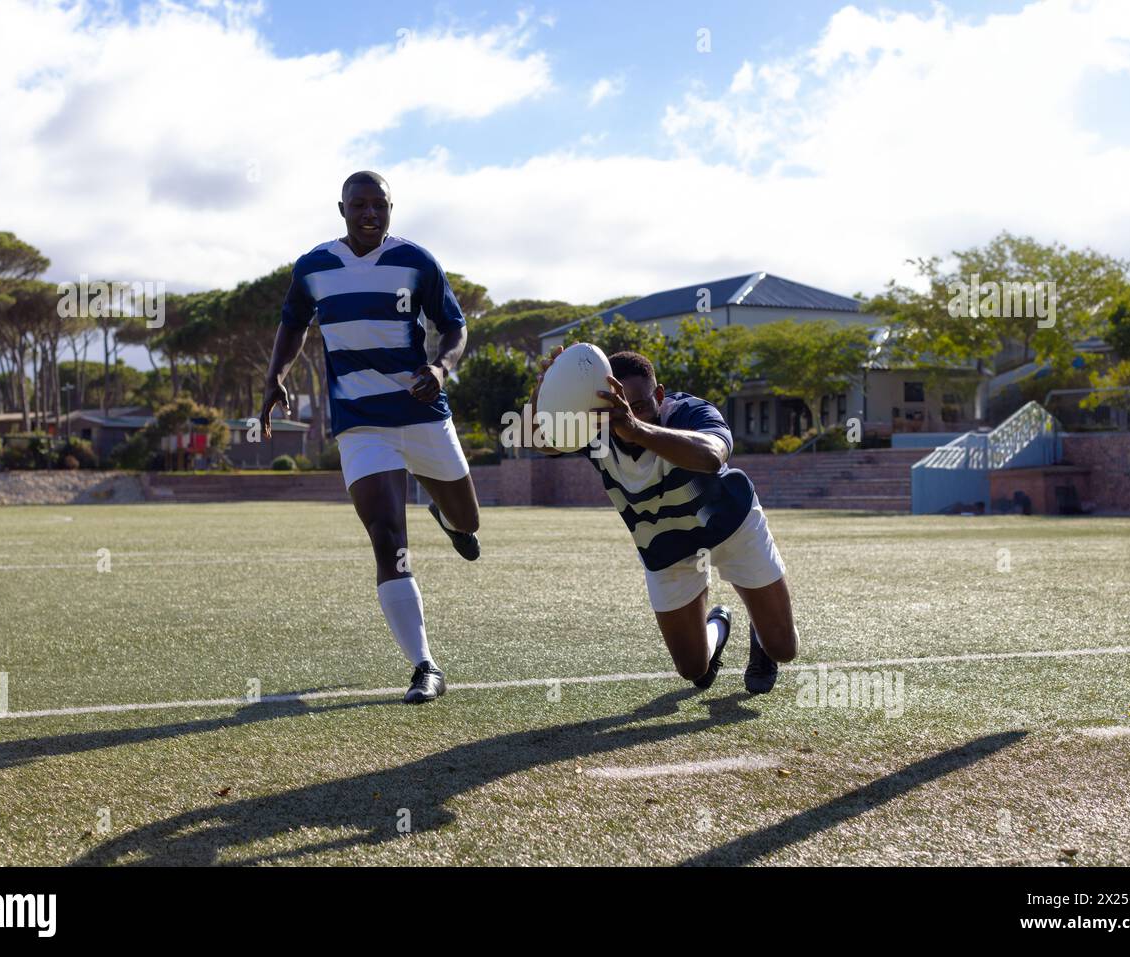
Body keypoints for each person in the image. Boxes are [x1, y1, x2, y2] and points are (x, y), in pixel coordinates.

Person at [260, 171, 480, 704]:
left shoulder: (417, 261)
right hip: (360, 422)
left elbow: (454, 326)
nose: (369, 214)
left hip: (423, 411)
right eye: (359, 205)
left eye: (379, 205)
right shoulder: (314, 267)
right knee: (385, 535)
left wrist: (442, 368)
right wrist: (275, 377)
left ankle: (449, 518)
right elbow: (293, 324)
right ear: (341, 209)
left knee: (469, 523)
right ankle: (425, 665)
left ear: (390, 208)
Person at [530, 346, 799, 694]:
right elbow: (542, 440)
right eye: (619, 406)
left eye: (640, 404)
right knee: (692, 668)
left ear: (659, 394)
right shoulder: (598, 422)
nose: (627, 413)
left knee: (784, 648)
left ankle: (761, 636)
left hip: (731, 526)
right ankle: (718, 622)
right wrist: (544, 392)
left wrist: (636, 428)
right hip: (666, 543)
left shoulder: (689, 411)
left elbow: (711, 456)